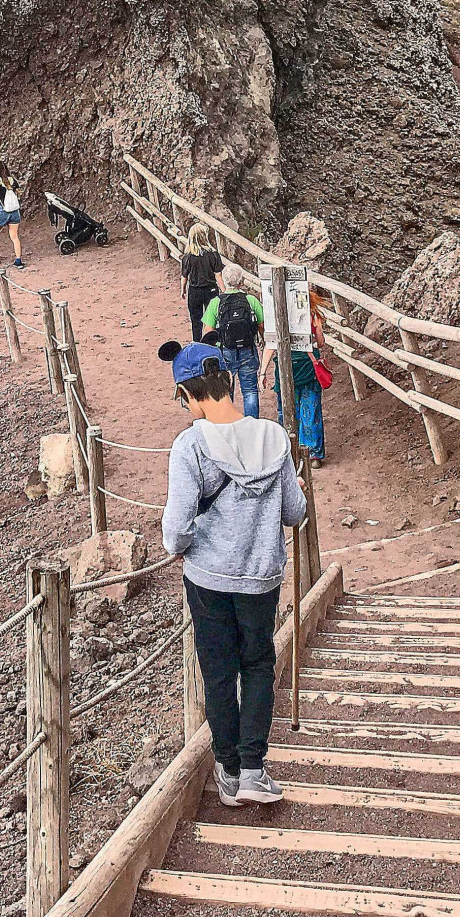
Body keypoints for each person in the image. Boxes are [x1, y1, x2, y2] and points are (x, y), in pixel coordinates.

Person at [158, 340, 304, 808]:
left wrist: (181, 547)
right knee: (258, 665)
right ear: (228, 384)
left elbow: (175, 531)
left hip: (209, 577)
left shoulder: (189, 446)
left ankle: (228, 771)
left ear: (190, 394)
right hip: (261, 575)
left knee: (218, 670)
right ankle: (255, 771)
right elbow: (294, 511)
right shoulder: (272, 436)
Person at [262, 287, 329, 464]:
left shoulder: (278, 317)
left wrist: (262, 372)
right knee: (310, 409)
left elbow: (270, 345)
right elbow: (320, 342)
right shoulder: (313, 315)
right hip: (307, 367)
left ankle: (291, 449)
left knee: (287, 409)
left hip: (285, 368)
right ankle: (313, 453)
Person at [201, 265, 264, 419]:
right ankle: (251, 424)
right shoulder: (251, 301)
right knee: (250, 390)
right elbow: (262, 325)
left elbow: (207, 331)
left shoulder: (216, 303)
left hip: (225, 351)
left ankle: (228, 422)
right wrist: (262, 339)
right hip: (248, 350)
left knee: (226, 391)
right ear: (241, 280)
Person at [180, 225, 225, 340]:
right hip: (211, 290)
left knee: (196, 321)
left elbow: (184, 276)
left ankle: (197, 343)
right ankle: (215, 343)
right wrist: (224, 290)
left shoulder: (187, 257)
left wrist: (183, 290)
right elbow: (218, 275)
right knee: (213, 320)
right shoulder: (213, 254)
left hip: (195, 291)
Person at [0, 163, 26, 268]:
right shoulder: (13, 181)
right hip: (14, 211)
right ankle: (18, 260)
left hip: (1, 210)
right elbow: (18, 194)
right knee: (14, 236)